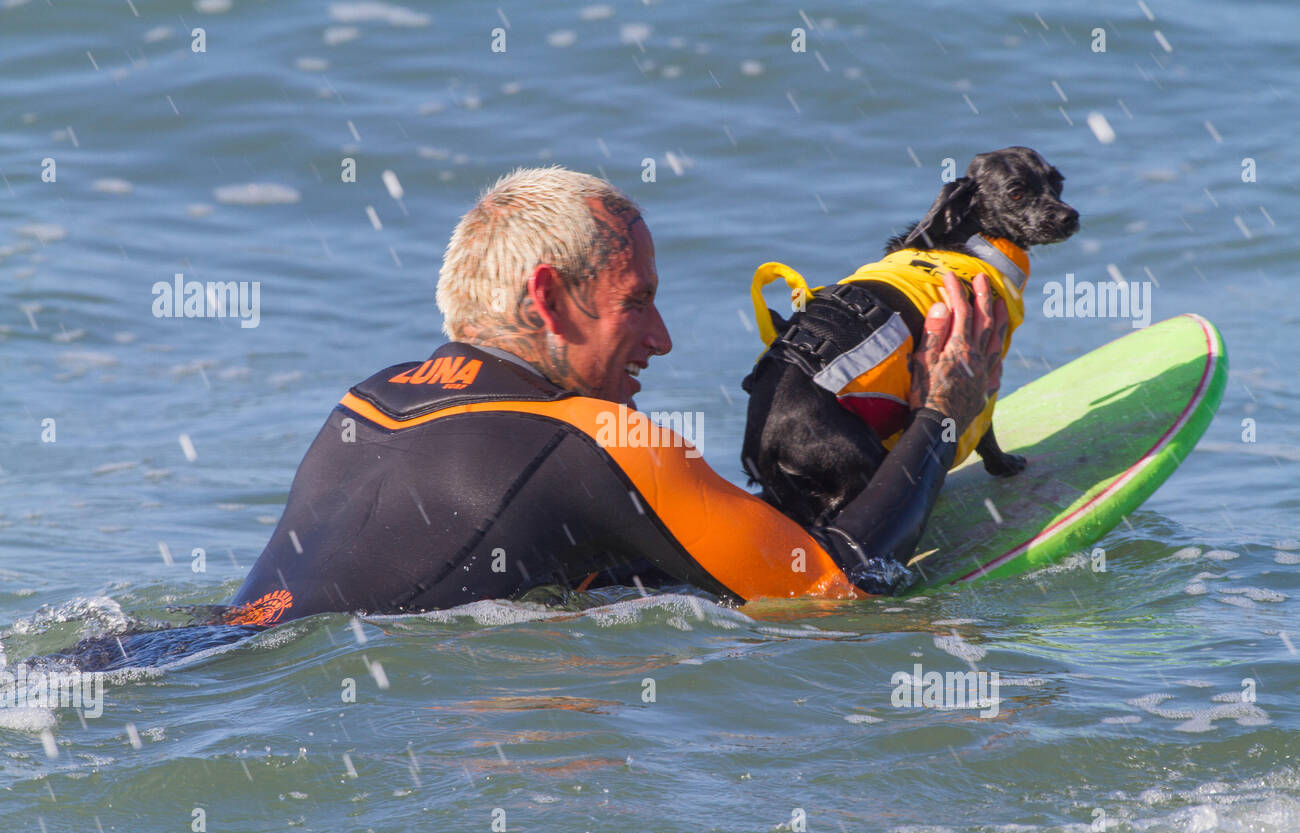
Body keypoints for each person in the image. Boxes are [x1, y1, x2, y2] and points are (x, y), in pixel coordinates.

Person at [223, 167, 1009, 627]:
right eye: (637, 302)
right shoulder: (594, 443)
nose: (663, 338)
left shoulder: (369, 401)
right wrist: (944, 415)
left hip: (183, 659)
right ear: (549, 297)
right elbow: (837, 589)